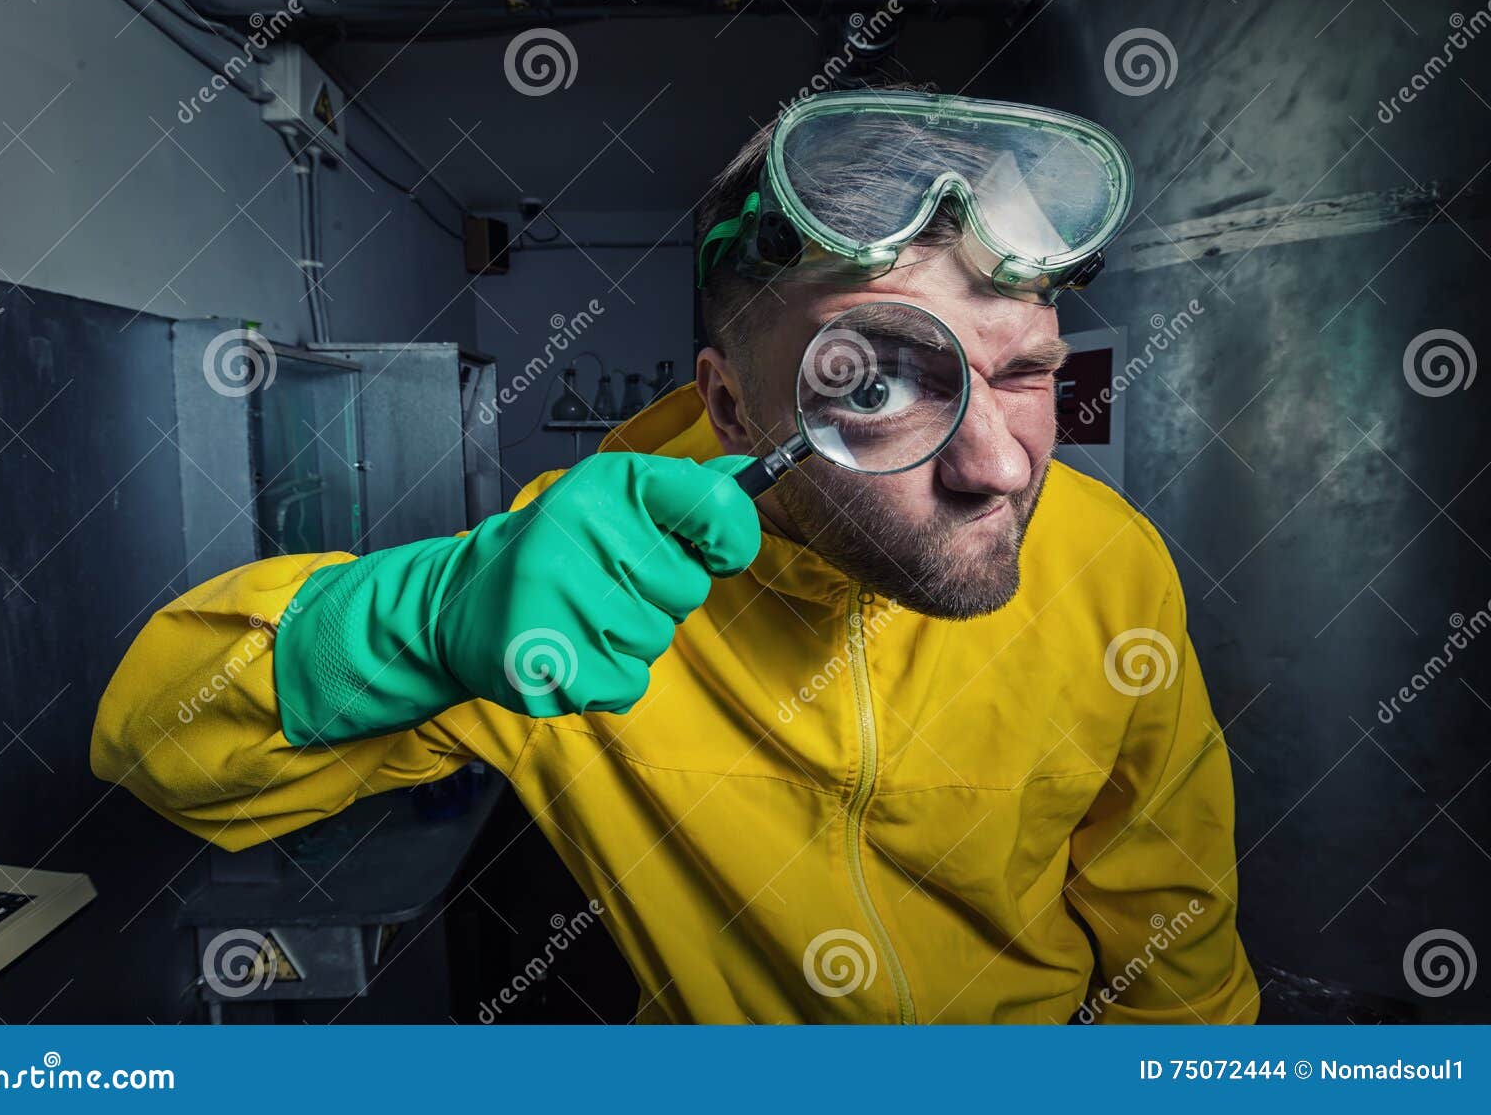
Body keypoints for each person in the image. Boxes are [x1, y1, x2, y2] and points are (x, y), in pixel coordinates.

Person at [92, 86, 1259, 1024]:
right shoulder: (583, 583)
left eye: (1026, 372)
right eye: (882, 385)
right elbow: (158, 749)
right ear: (734, 406)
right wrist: (428, 615)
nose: (1000, 466)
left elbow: (1174, 929)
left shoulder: (1109, 560)